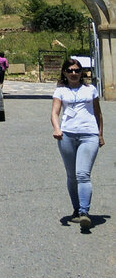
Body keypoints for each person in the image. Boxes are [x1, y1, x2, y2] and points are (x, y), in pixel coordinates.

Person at [51, 58, 104, 229]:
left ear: (82, 73)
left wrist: (100, 134)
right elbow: (54, 112)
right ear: (64, 73)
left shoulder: (90, 90)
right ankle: (76, 209)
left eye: (77, 70)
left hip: (89, 135)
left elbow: (98, 113)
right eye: (70, 70)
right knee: (72, 175)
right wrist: (57, 128)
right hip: (66, 135)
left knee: (82, 174)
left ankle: (84, 212)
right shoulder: (60, 91)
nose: (74, 73)